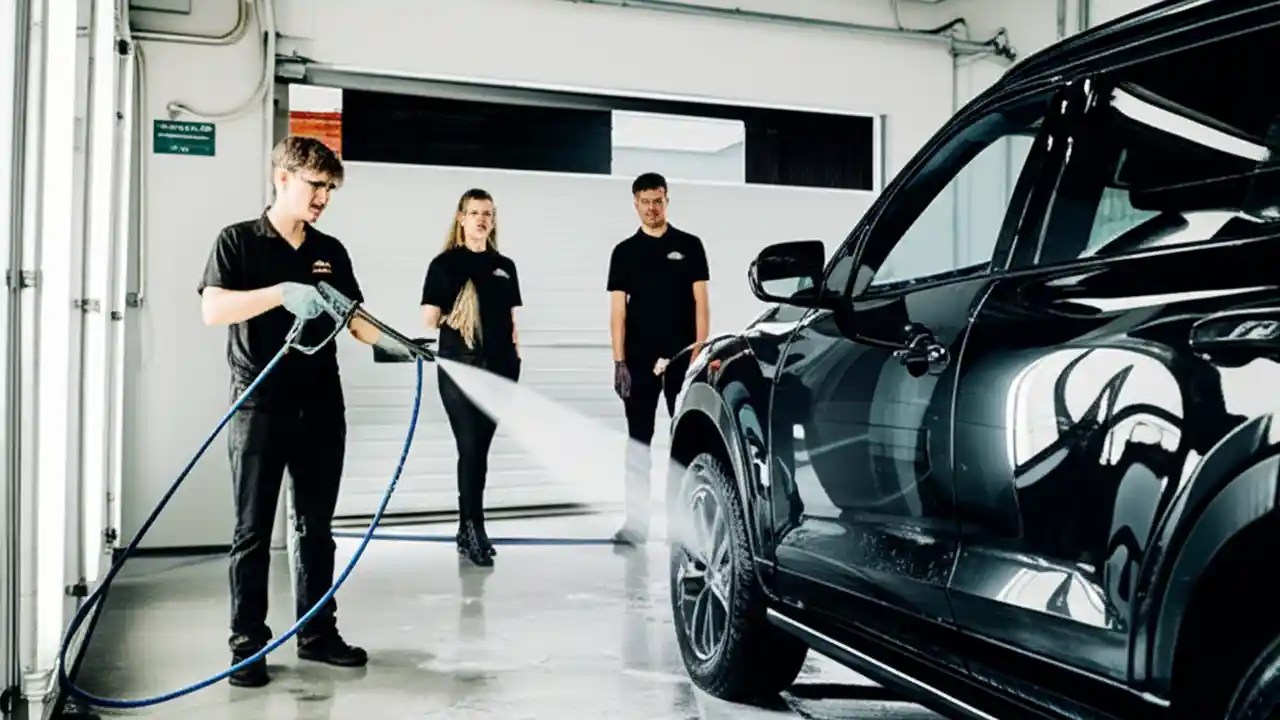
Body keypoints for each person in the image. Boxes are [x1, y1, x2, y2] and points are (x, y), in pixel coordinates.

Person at [198, 135, 408, 688]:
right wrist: (279, 293)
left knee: (316, 526)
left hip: (319, 405)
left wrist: (396, 345)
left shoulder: (331, 251)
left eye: (330, 189)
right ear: (283, 177)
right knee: (252, 530)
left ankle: (317, 634)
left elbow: (354, 318)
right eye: (316, 186)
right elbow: (214, 309)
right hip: (259, 406)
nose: (323, 198)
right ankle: (247, 644)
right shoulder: (239, 242)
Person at [420, 188, 523, 567]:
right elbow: (428, 320)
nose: (482, 219)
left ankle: (467, 528)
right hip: (460, 367)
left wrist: (515, 359)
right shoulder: (444, 265)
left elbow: (512, 324)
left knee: (481, 450)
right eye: (475, 212)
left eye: (488, 214)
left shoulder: (505, 266)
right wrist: (458, 302)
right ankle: (474, 529)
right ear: (461, 217)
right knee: (470, 447)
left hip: (501, 368)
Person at [606, 172, 710, 546]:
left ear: (667, 200)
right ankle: (636, 524)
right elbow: (618, 312)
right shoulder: (624, 252)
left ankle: (688, 525)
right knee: (638, 444)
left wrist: (699, 351)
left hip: (683, 358)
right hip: (638, 361)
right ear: (635, 203)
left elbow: (701, 303)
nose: (652, 207)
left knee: (686, 442)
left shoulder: (690, 245)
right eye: (645, 201)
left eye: (658, 200)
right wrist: (619, 362)